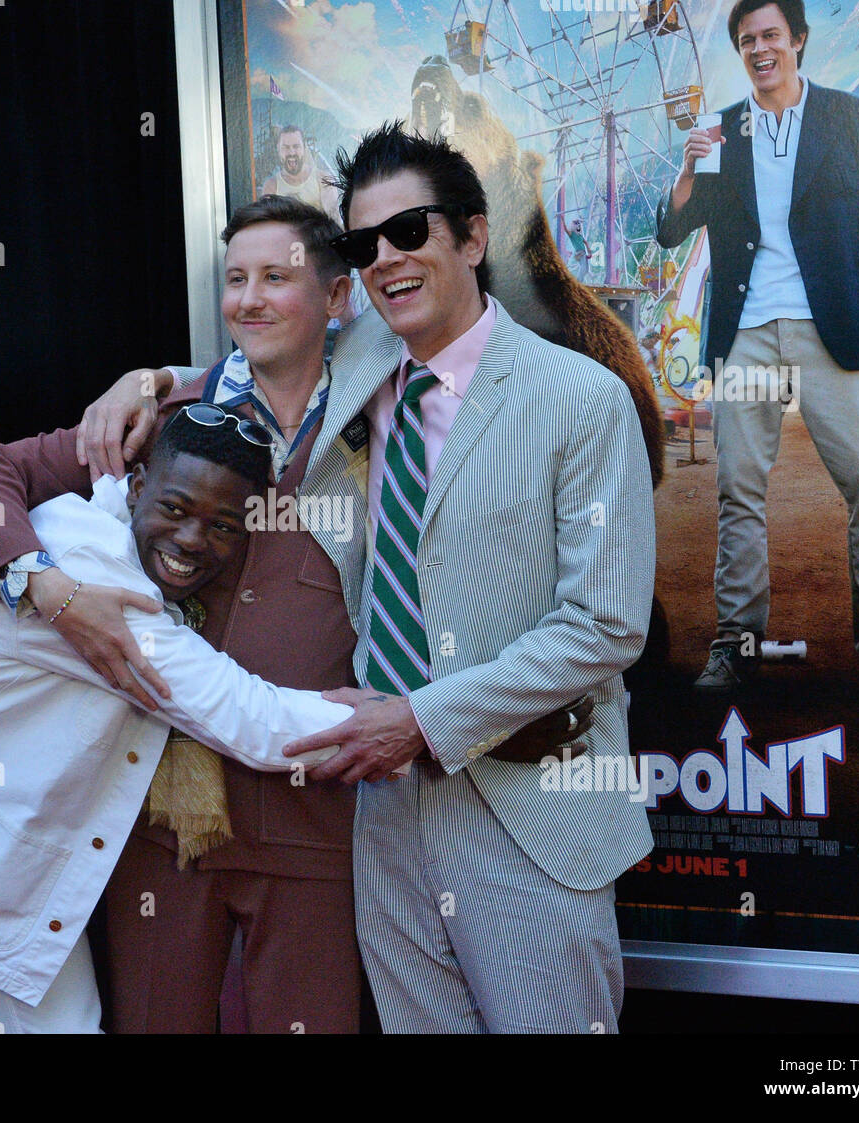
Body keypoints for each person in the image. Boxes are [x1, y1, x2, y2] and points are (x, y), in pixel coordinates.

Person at [0, 194, 589, 1033]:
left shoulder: (390, 415)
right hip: (162, 819)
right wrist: (44, 588)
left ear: (338, 298)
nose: (250, 298)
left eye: (277, 277)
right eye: (236, 278)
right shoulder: (163, 420)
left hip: (317, 813)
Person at [0, 409, 355, 1033]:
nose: (191, 539)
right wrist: (412, 722)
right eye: (176, 508)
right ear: (134, 487)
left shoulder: (118, 557)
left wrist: (157, 376)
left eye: (223, 526)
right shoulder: (84, 561)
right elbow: (249, 719)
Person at [262, 121, 656, 1034]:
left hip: (526, 808)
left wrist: (419, 721)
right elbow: (249, 369)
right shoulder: (360, 360)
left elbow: (604, 626)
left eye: (412, 232)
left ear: (474, 237)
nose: (387, 262)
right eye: (364, 246)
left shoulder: (579, 399)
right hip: (387, 817)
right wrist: (144, 381)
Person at [655, 0, 859, 698]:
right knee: (738, 490)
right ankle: (737, 643)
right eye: (747, 39)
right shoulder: (723, 131)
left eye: (771, 35)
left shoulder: (852, 119)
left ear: (798, 41)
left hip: (833, 329)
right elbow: (671, 232)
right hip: (747, 335)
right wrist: (687, 174)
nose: (760, 49)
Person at [261, 124, 340, 220]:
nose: (291, 152)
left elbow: (334, 220)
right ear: (278, 150)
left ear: (304, 148)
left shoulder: (323, 180)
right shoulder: (271, 187)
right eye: (285, 147)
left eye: (296, 146)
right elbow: (269, 226)